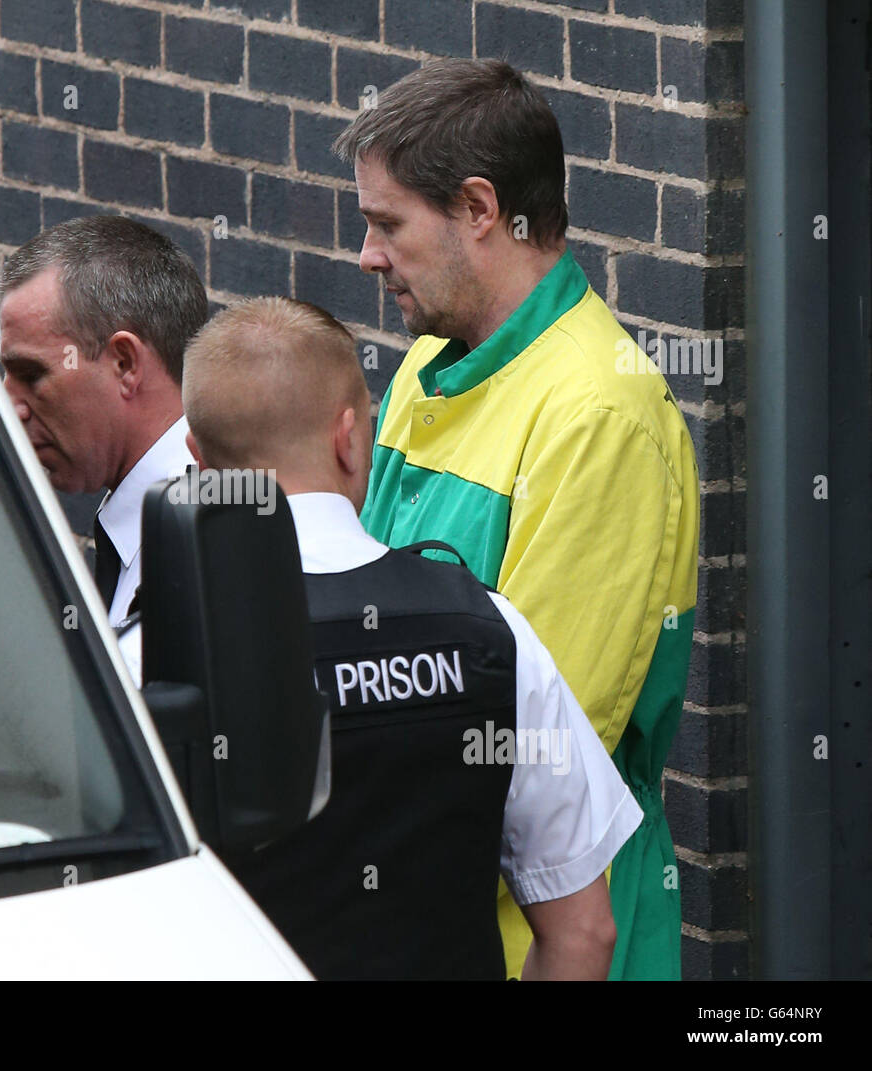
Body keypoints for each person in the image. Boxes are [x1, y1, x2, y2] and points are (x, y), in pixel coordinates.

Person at [121, 297, 643, 980]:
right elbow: (584, 931)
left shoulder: (144, 660)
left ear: (195, 458)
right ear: (350, 438)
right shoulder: (491, 630)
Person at [333, 58, 700, 980]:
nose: (366, 254)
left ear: (480, 209)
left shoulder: (598, 419)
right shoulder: (428, 364)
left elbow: (534, 745)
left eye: (386, 224)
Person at [0, 216, 207, 625]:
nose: (10, 406)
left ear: (125, 364)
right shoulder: (180, 526)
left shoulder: (203, 558)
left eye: (32, 375)